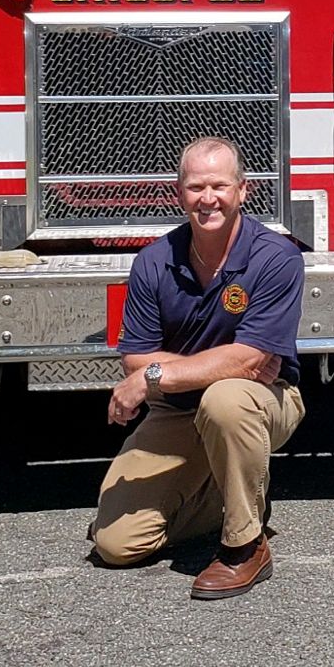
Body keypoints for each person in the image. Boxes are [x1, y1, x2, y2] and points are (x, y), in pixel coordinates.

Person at [90, 136, 306, 599]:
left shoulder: (276, 258)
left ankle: (245, 546)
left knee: (226, 399)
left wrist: (157, 375)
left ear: (242, 190)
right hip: (177, 409)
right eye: (195, 187)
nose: (208, 198)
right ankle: (232, 493)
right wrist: (223, 363)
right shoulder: (154, 261)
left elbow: (249, 363)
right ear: (179, 193)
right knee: (115, 544)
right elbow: (135, 356)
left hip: (265, 401)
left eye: (219, 186)